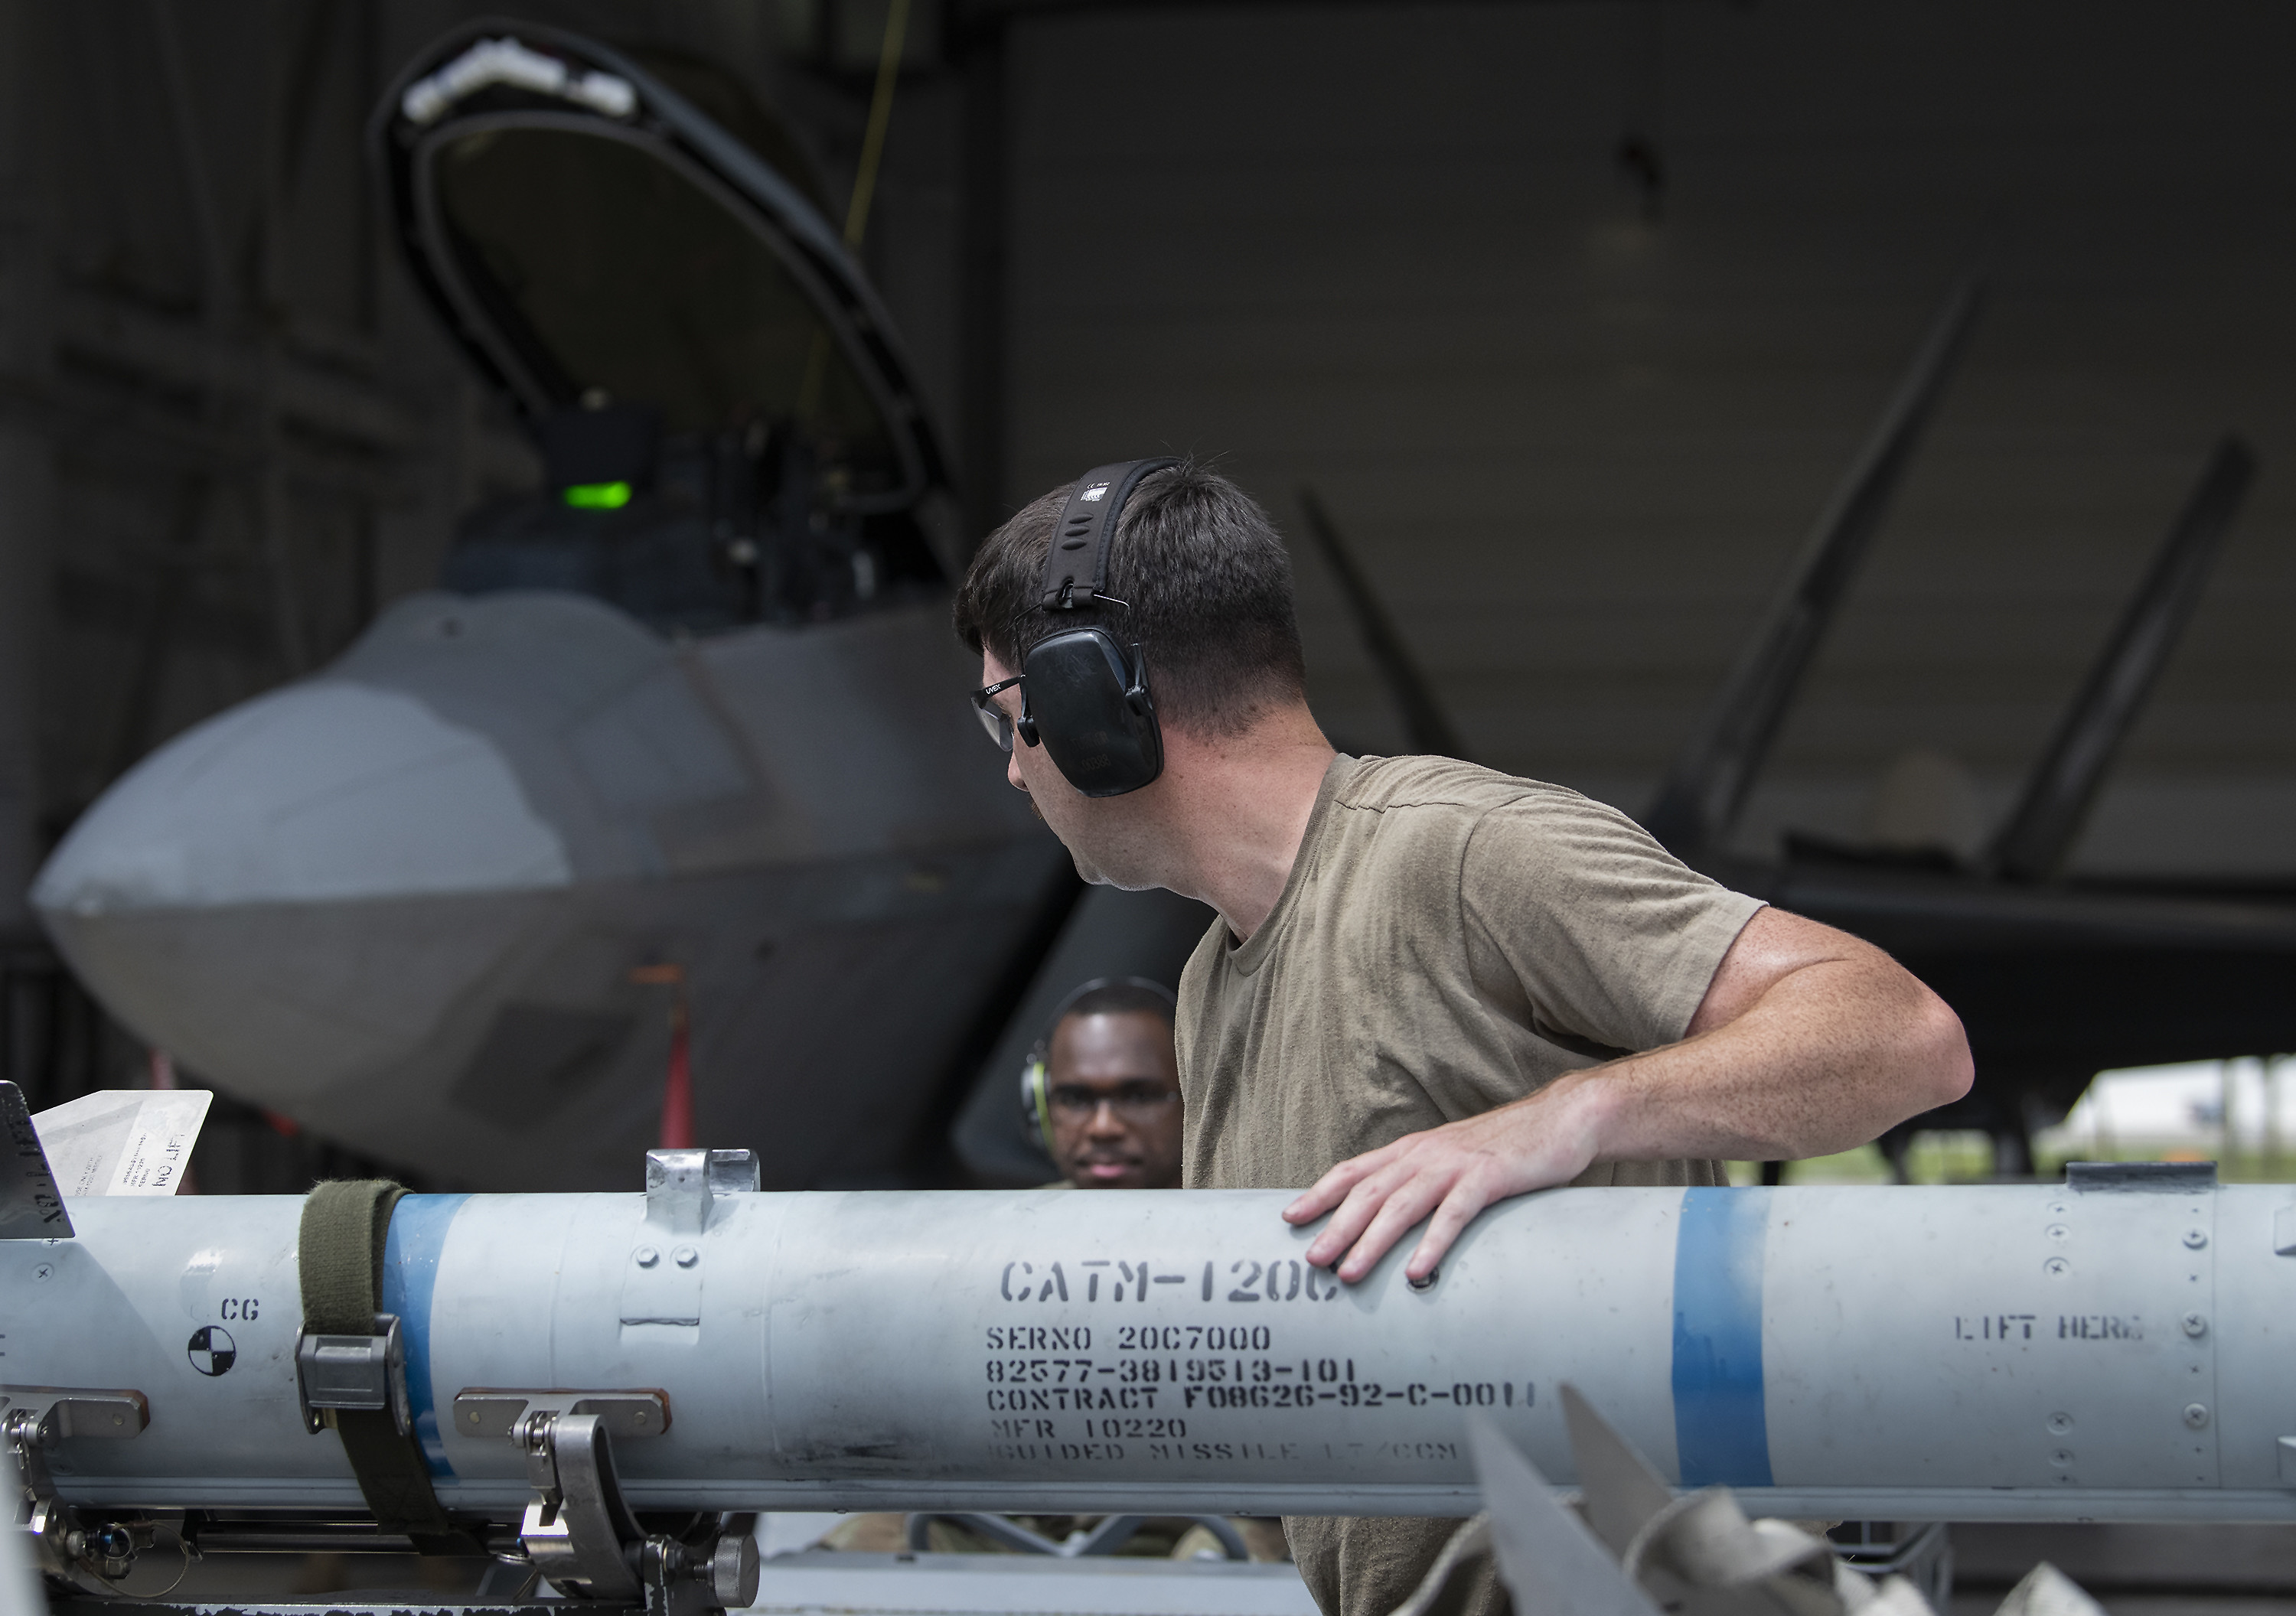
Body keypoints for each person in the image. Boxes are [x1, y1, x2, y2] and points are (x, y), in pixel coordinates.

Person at [954, 460, 1973, 1616]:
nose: (1009, 766)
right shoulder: (1208, 986)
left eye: (1009, 717)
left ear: (1095, 706)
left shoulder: (1461, 854)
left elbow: (1903, 1031)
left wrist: (1567, 1117)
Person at [1023, 978, 1186, 1190]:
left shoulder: (1239, 1215)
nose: (1103, 1128)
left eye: (1140, 1097)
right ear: (1039, 1107)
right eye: (1075, 1099)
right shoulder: (1011, 1220)